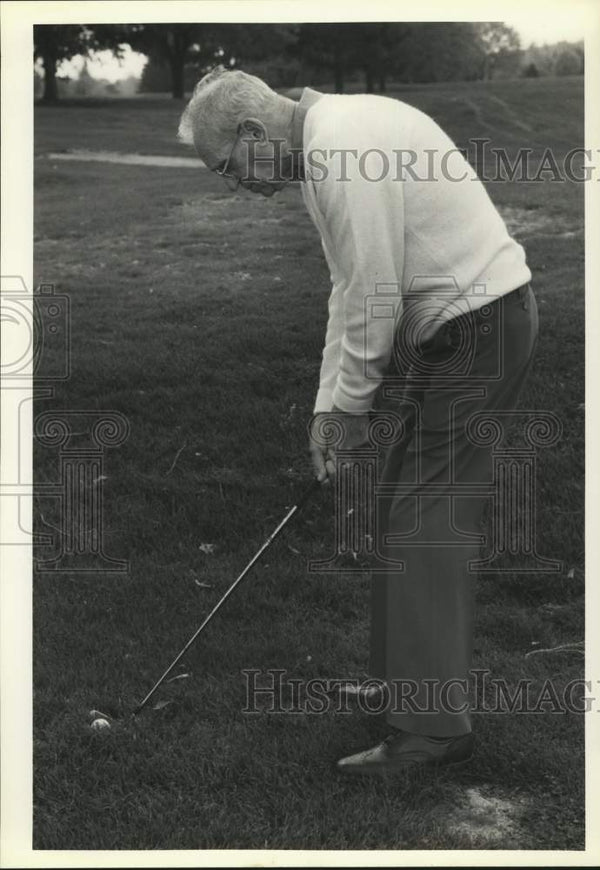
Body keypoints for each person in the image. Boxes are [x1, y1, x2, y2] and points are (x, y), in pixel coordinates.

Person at [178, 67, 538, 775]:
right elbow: (349, 290)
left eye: (226, 168)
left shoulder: (339, 148)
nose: (235, 187)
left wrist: (349, 412)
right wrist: (327, 412)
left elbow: (375, 289)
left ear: (252, 134)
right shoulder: (325, 145)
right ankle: (407, 683)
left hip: (482, 328)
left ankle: (431, 731)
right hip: (460, 329)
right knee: (402, 503)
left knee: (424, 520)